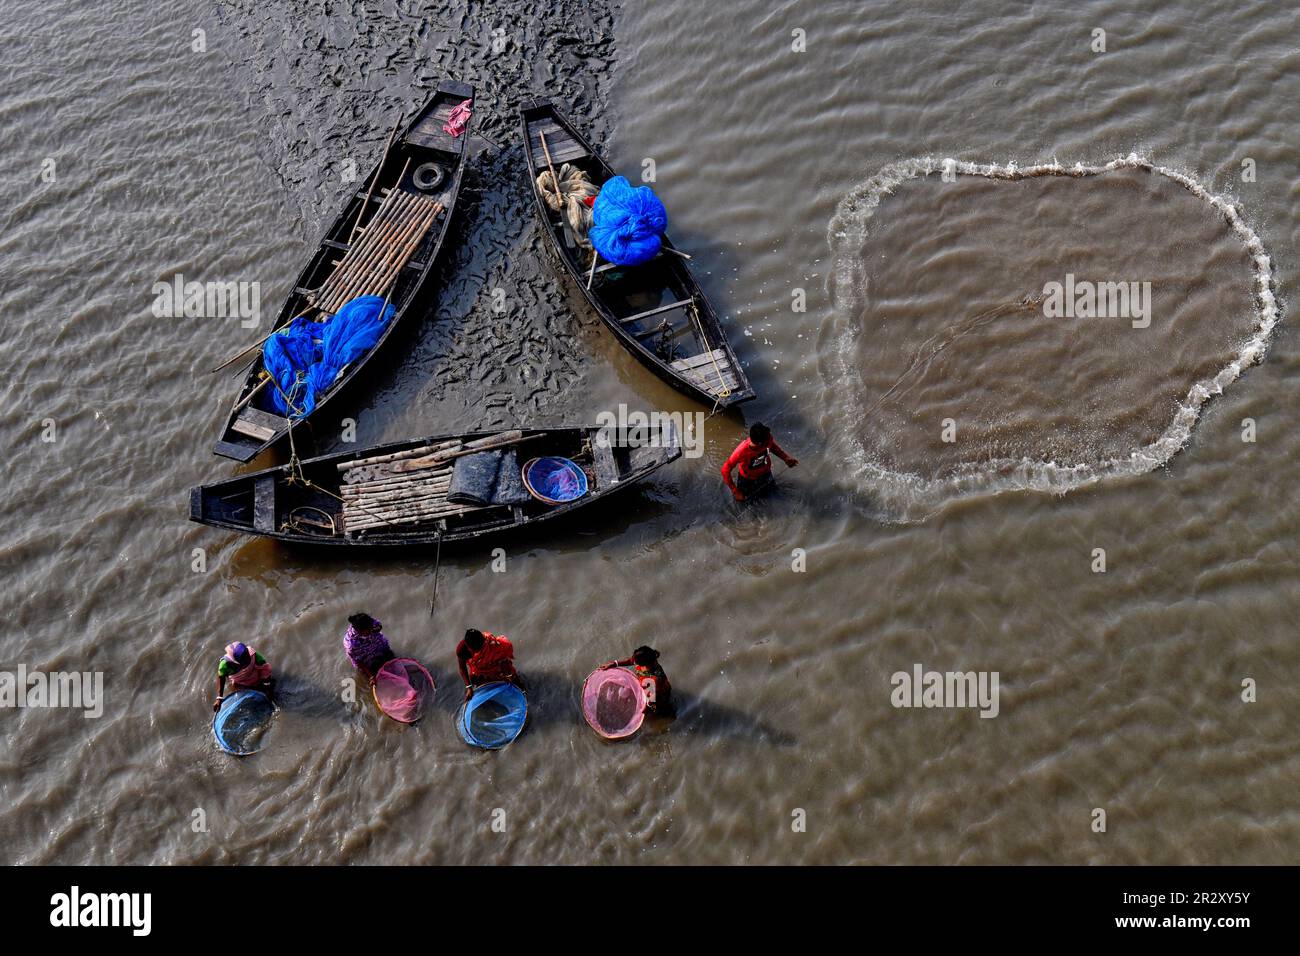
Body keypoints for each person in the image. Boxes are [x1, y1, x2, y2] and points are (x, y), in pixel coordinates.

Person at [721, 422, 798, 502]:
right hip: (747, 480)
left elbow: (773, 446)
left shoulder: (767, 439)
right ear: (760, 444)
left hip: (766, 474)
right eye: (768, 439)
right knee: (746, 502)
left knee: (774, 495)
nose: (770, 438)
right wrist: (735, 491)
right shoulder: (741, 452)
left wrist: (785, 458)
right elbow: (725, 470)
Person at [600, 645, 674, 717]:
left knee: (655, 713)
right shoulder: (649, 658)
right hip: (650, 689)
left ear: (644, 665)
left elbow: (651, 701)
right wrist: (615, 664)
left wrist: (642, 711)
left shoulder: (653, 680)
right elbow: (631, 661)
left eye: (636, 662)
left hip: (659, 696)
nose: (633, 662)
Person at [456, 628, 523, 700]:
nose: (473, 653)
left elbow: (504, 661)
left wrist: (508, 676)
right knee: (479, 685)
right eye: (473, 650)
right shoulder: (462, 649)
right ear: (468, 646)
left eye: (478, 649)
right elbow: (462, 667)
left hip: (496, 666)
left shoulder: (494, 646)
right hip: (479, 671)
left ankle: (523, 694)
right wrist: (469, 687)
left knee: (516, 684)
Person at [213, 641, 274, 712]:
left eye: (248, 656)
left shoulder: (253, 655)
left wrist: (267, 686)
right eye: (244, 660)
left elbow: (265, 669)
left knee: (271, 696)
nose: (248, 660)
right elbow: (221, 677)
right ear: (235, 661)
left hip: (256, 679)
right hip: (240, 684)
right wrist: (219, 698)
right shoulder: (225, 664)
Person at [344, 612, 396, 683]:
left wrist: (376, 629)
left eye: (371, 628)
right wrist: (370, 676)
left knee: (392, 662)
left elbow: (379, 625)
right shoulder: (351, 645)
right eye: (368, 631)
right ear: (360, 632)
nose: (371, 630)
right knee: (379, 677)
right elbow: (359, 662)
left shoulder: (368, 621)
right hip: (367, 659)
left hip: (380, 647)